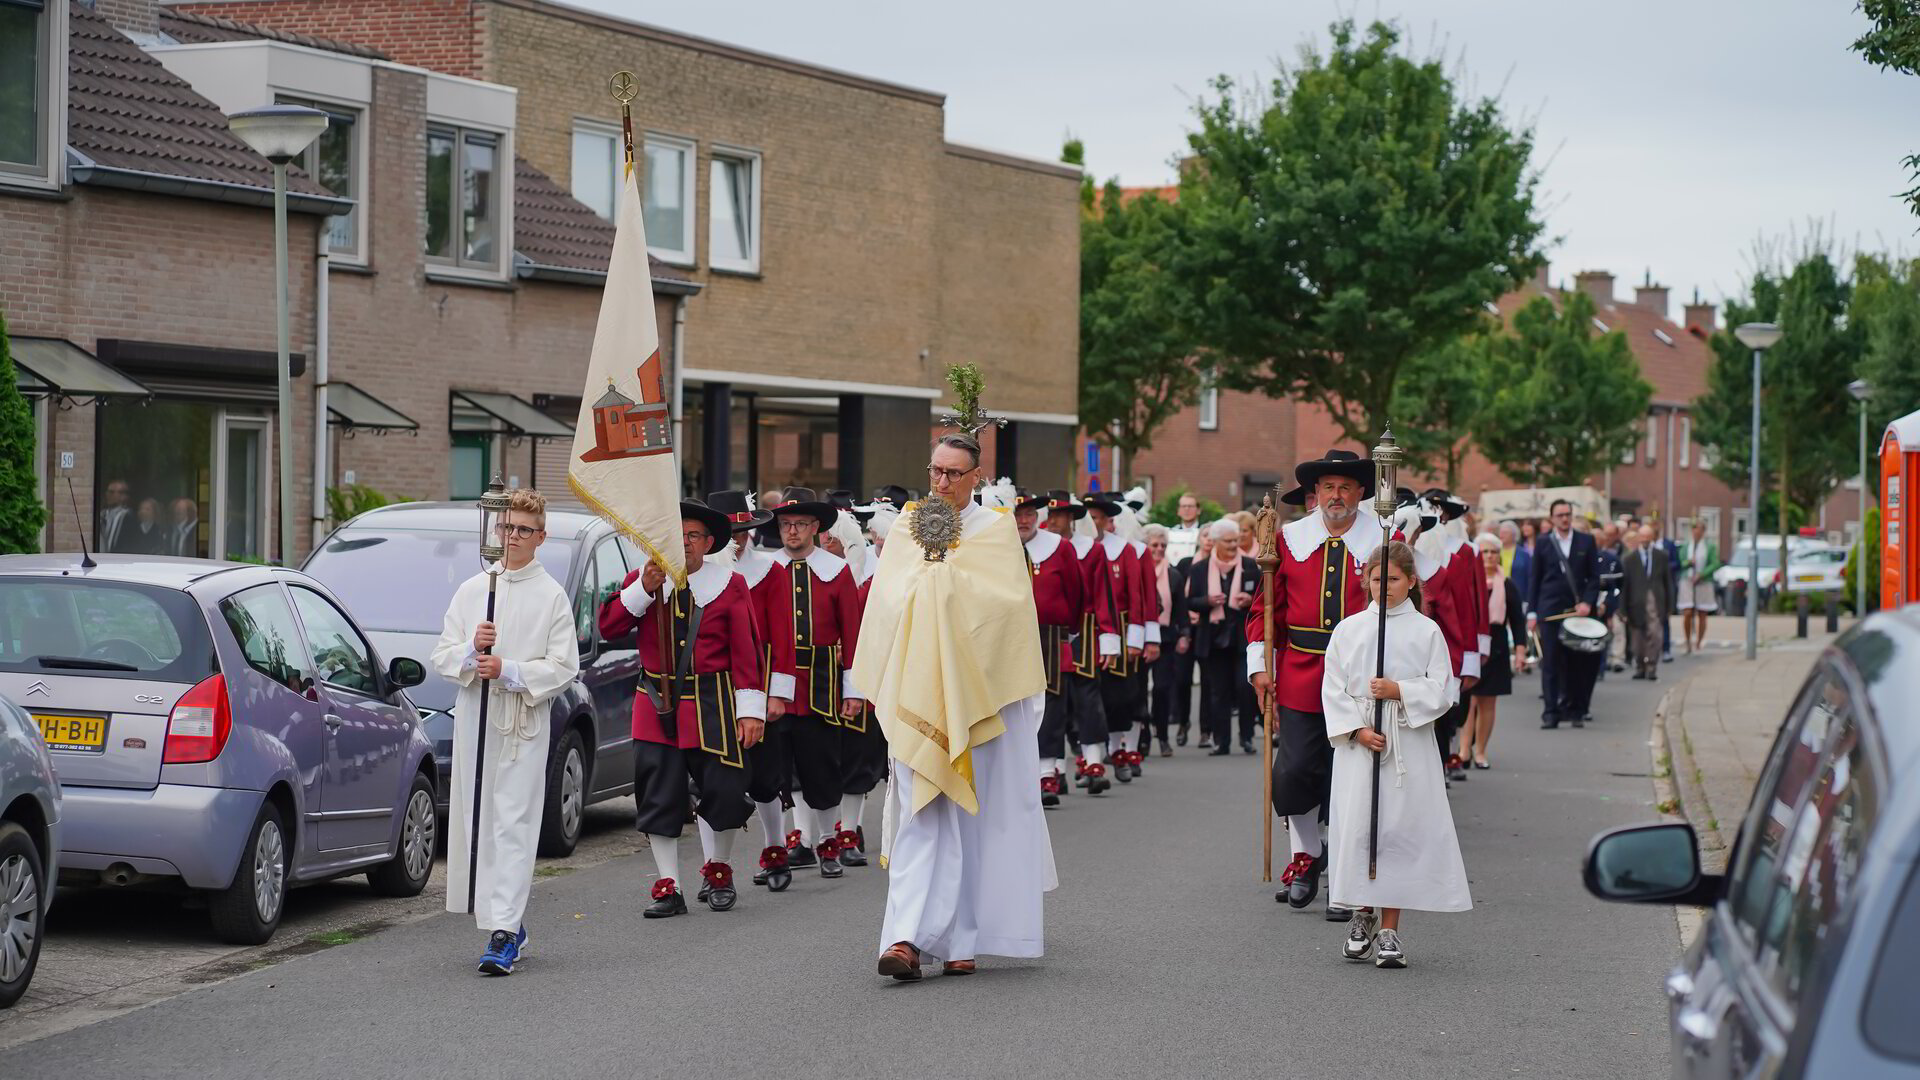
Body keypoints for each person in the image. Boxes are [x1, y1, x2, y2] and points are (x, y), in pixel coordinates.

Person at [863, 432, 1056, 980]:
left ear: (977, 478)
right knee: (923, 815)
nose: (941, 483)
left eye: (953, 474)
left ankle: (961, 938)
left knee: (972, 817)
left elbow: (1008, 611)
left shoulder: (995, 532)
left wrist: (946, 583)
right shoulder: (906, 527)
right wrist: (931, 579)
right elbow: (886, 603)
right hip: (915, 690)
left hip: (978, 696)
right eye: (935, 472)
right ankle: (905, 939)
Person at [429, 488, 579, 975]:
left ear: (541, 536)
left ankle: (504, 933)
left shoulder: (551, 595)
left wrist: (509, 669)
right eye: (506, 528)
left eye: (522, 530)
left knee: (513, 823)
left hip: (520, 724)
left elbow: (564, 666)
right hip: (477, 719)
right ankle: (505, 919)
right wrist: (473, 651)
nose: (512, 537)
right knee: (479, 822)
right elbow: (444, 655)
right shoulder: (475, 590)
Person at [599, 500, 769, 917]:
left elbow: (747, 651)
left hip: (713, 702)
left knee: (725, 793)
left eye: (692, 536)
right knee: (659, 795)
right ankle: (668, 885)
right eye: (677, 536)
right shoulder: (641, 580)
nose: (684, 544)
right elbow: (608, 627)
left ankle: (718, 871)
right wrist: (644, 588)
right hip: (654, 703)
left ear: (709, 543)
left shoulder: (729, 585)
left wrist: (751, 710)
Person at [1247, 449, 1385, 915]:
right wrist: (1260, 666)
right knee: (1293, 772)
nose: (1336, 495)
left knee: (1350, 775)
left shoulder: (1384, 539)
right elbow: (1264, 611)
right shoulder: (1288, 540)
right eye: (1328, 486)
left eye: (1346, 487)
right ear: (1316, 493)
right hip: (1302, 669)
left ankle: (1346, 873)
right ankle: (1306, 855)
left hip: (1361, 675)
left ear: (1361, 493)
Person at [1323, 540, 1471, 969]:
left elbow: (1442, 687)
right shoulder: (1348, 629)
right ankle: (1360, 913)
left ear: (1410, 581)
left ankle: (1390, 927)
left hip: (1407, 741)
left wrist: (1400, 690)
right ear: (1364, 580)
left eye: (1392, 579)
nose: (1383, 586)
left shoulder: (1426, 630)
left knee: (1397, 831)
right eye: (1376, 579)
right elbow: (1333, 685)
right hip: (1359, 745)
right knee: (1358, 829)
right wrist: (1356, 729)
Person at [763, 487, 864, 876]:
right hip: (775, 685)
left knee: (821, 766)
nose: (791, 531)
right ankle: (787, 842)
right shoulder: (765, 569)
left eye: (800, 524)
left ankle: (827, 842)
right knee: (776, 767)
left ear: (816, 527)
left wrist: (852, 689)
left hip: (822, 682)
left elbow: (852, 634)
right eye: (786, 524)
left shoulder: (836, 571)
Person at [707, 490, 802, 894]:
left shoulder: (771, 570)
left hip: (759, 680)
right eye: (730, 532)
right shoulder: (699, 572)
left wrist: (778, 692)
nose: (737, 540)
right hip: (711, 688)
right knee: (709, 776)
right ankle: (714, 865)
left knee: (766, 776)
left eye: (743, 532)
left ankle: (775, 847)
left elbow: (783, 633)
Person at [1018, 491, 1086, 805]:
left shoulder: (1060, 548)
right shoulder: (994, 548)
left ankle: (1047, 773)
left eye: (1030, 514)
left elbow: (1076, 594)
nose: (1024, 521)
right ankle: (1016, 775)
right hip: (1007, 638)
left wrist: (1067, 631)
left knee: (1051, 705)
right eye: (1018, 515)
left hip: (1049, 637)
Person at [1083, 492, 1156, 782]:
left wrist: (1140, 638)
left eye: (1096, 518)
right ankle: (1088, 755)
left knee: (1119, 696)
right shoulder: (1078, 549)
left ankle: (1118, 750)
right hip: (1088, 632)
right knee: (1087, 698)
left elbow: (1139, 597)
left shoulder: (1124, 551)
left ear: (1107, 521)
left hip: (1122, 629)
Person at [1063, 495, 1122, 792]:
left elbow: (1103, 595)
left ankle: (1094, 759)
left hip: (1084, 632)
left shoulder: (1091, 550)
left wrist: (1109, 637)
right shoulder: (1028, 547)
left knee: (1088, 700)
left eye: (1062, 515)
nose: (1056, 520)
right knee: (1050, 705)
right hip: (1044, 632)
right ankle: (1052, 769)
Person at [1187, 519, 1259, 758]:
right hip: (1214, 639)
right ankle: (1221, 741)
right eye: (1227, 541)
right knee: (1218, 692)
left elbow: (1262, 599)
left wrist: (1249, 601)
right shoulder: (1199, 569)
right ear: (1215, 542)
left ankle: (1247, 737)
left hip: (1242, 638)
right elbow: (1189, 602)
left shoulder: (1250, 566)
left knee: (1244, 688)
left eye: (1235, 540)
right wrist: (1207, 602)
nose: (1233, 545)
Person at [1527, 499, 1601, 730]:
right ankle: (1551, 712)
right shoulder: (1543, 543)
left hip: (1577, 612)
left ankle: (1576, 710)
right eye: (1560, 515)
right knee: (1550, 663)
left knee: (1576, 662)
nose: (1565, 518)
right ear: (1552, 519)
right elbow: (1535, 579)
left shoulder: (1586, 541)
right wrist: (1531, 612)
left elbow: (1594, 578)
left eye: (1568, 514)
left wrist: (1588, 602)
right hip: (1549, 611)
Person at [1463, 533, 1526, 769]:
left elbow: (1518, 621)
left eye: (1493, 552)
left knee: (1488, 702)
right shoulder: (1468, 579)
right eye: (1485, 551)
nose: (1489, 556)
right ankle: (1463, 749)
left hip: (1497, 645)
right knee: (1468, 700)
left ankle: (1480, 751)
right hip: (1471, 643)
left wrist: (1520, 651)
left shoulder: (1507, 584)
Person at [1142, 524, 1187, 758]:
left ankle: (1162, 736)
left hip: (1166, 638)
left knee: (1162, 689)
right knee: (1140, 690)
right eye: (1154, 545)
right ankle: (1143, 738)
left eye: (1163, 546)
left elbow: (1181, 609)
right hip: (1140, 638)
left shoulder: (1174, 575)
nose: (1159, 549)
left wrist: (1184, 635)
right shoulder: (1138, 570)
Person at [1622, 524, 1674, 681]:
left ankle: (1652, 666)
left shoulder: (1661, 556)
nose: (1644, 540)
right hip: (1635, 603)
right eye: (1642, 537)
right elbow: (1625, 586)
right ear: (1638, 538)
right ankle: (1640, 666)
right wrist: (1622, 610)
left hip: (1655, 602)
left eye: (1647, 537)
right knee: (1637, 640)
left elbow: (1668, 582)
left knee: (1656, 635)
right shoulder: (1629, 559)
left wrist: (1670, 606)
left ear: (1652, 538)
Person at [1678, 519, 1721, 653]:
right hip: (1688, 581)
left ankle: (1699, 641)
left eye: (1699, 529)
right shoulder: (1686, 545)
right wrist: (1688, 562)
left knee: (1702, 613)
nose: (1696, 532)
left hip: (1703, 582)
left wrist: (1702, 574)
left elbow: (1715, 563)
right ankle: (1687, 641)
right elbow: (1681, 562)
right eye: (1694, 529)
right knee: (1687, 612)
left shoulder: (1710, 546)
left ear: (1703, 532)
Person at [1166, 490, 1206, 565]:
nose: (1187, 509)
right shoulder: (1171, 533)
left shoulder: (1205, 533)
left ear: (1198, 510)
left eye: (1190, 506)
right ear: (1178, 511)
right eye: (1184, 506)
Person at [98, 478, 131, 552]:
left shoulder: (128, 517)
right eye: (108, 492)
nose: (108, 495)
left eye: (112, 492)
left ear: (123, 496)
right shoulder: (102, 514)